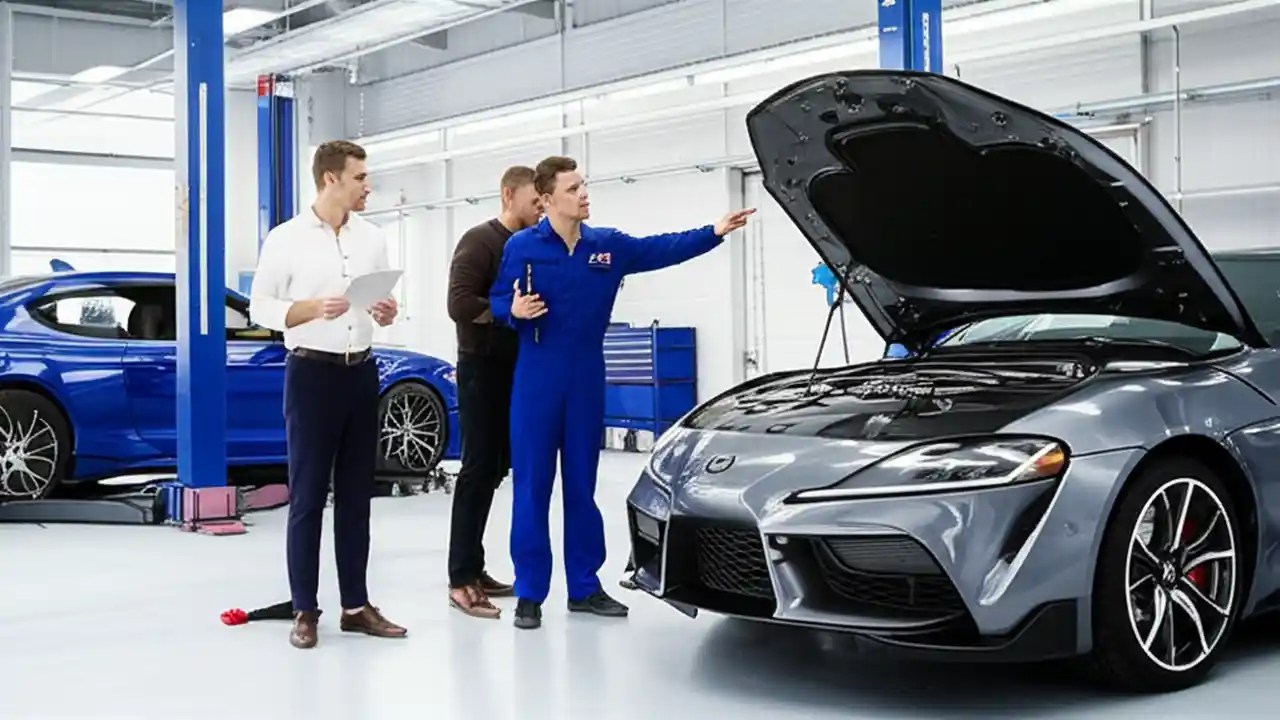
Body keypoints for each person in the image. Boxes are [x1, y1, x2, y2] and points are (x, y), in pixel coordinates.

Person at [489, 155, 755, 630]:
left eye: (584, 185)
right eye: (573, 189)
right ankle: (529, 593)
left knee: (582, 487)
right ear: (547, 199)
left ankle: (585, 587)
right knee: (531, 488)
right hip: (536, 378)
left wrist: (713, 232)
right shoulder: (522, 246)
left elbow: (660, 249)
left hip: (587, 376)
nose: (584, 194)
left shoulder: (606, 246)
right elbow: (495, 299)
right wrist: (513, 309)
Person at [249, 140, 408, 649]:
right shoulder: (285, 239)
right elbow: (261, 308)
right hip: (311, 377)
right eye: (360, 177)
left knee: (358, 497)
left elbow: (382, 302)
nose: (367, 185)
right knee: (308, 497)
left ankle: (356, 606)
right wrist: (311, 308)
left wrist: (387, 311)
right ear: (330, 179)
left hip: (361, 373)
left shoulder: (372, 238)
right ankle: (304, 609)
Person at [444, 165, 543, 619]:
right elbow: (459, 304)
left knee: (495, 469)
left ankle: (475, 567)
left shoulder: (531, 246)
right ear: (509, 195)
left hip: (516, 370)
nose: (539, 208)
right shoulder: (480, 241)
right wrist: (509, 309)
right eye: (533, 201)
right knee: (478, 468)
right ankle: (461, 578)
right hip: (481, 369)